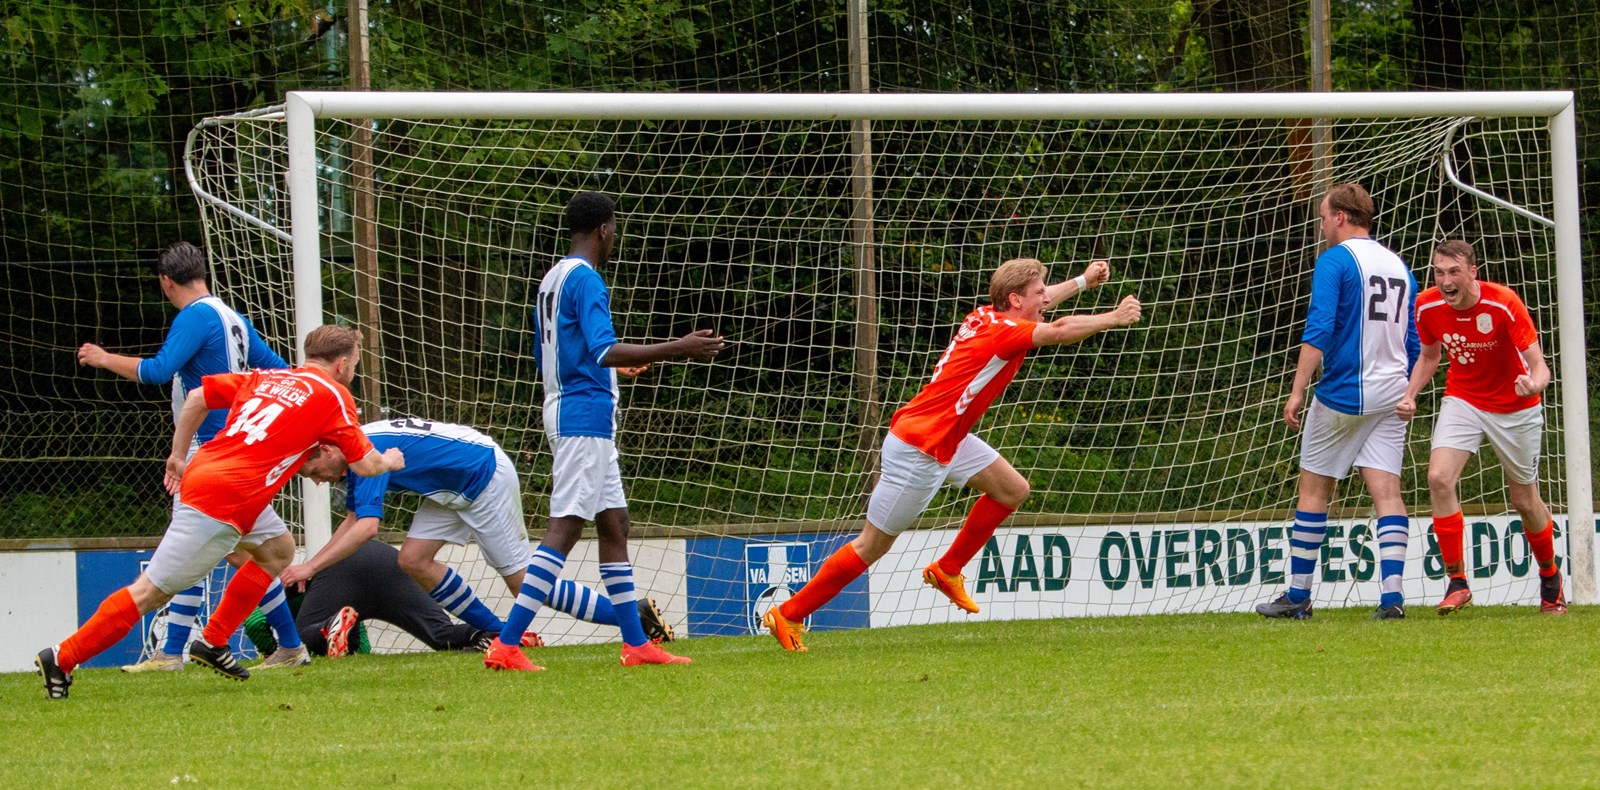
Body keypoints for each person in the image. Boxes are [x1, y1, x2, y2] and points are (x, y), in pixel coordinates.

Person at [766, 256, 1142, 652]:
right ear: (1015, 300)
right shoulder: (1007, 333)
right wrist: (1113, 317)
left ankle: (948, 570)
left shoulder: (986, 314)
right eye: (1037, 294)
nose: (1045, 298)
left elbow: (1048, 303)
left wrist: (1083, 281)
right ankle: (788, 613)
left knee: (1012, 490)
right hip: (921, 448)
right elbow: (1062, 330)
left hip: (947, 434)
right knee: (872, 544)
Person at [35, 325, 405, 699]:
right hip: (227, 497)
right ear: (342, 365)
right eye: (355, 366)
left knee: (278, 549)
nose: (352, 373)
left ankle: (212, 641)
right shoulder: (334, 394)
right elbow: (365, 465)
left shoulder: (268, 377)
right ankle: (62, 657)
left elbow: (197, 397)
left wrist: (179, 456)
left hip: (210, 471)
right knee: (150, 593)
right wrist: (389, 460)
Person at [486, 191, 723, 671]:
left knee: (614, 525)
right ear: (604, 230)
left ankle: (636, 645)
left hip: (572, 405)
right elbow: (602, 348)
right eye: (616, 228)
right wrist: (678, 346)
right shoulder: (588, 281)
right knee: (566, 527)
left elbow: (562, 353)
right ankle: (507, 644)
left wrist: (610, 372)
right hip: (584, 417)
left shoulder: (553, 277)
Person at [76, 240, 308, 672]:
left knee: (187, 555)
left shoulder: (196, 316)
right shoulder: (233, 318)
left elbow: (158, 370)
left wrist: (105, 358)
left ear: (166, 281)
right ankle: (290, 646)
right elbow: (277, 368)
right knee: (250, 555)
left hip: (211, 453)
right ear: (201, 271)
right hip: (240, 450)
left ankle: (170, 654)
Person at [285, 418, 674, 655]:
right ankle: (495, 634)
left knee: (523, 582)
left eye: (312, 471)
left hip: (482, 476)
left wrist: (311, 565)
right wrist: (311, 567)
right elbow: (353, 519)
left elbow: (368, 530)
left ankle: (632, 617)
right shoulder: (357, 447)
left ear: (326, 449)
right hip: (450, 484)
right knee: (412, 560)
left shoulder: (363, 452)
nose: (317, 481)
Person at [1257, 183, 1419, 621]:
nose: (1323, 224)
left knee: (1314, 486)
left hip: (1347, 392)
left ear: (1342, 217)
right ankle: (1392, 600)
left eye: (1325, 216)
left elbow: (1320, 327)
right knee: (1386, 491)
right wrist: (1409, 392)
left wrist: (1296, 390)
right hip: (1391, 392)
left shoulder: (1334, 260)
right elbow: (1415, 340)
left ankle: (1298, 596)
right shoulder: (1399, 265)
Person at [1396, 240, 1564, 615]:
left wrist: (1533, 384)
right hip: (1464, 398)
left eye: (1454, 272)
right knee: (1438, 477)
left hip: (1515, 407)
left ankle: (1551, 577)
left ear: (1473, 272)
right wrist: (1410, 394)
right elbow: (1429, 356)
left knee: (1523, 499)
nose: (1445, 281)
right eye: (1439, 272)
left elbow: (1540, 367)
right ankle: (1458, 583)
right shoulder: (1426, 305)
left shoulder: (1503, 302)